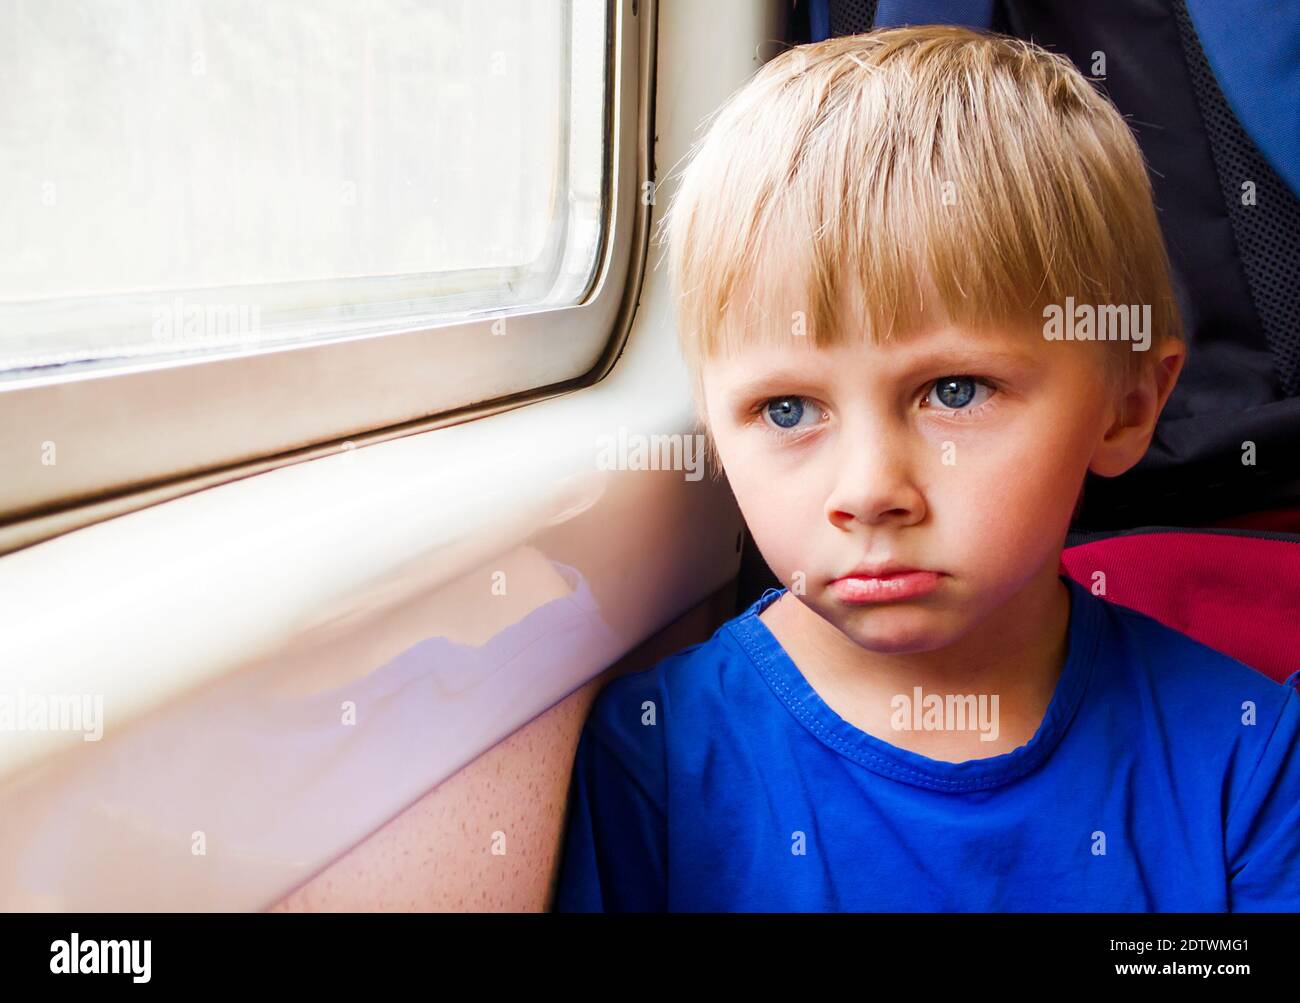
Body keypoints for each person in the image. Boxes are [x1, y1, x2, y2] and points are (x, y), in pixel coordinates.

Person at [551, 25, 1300, 911]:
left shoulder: (1249, 756)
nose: (868, 490)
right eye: (786, 410)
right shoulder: (658, 757)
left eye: (953, 391)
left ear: (1130, 404)